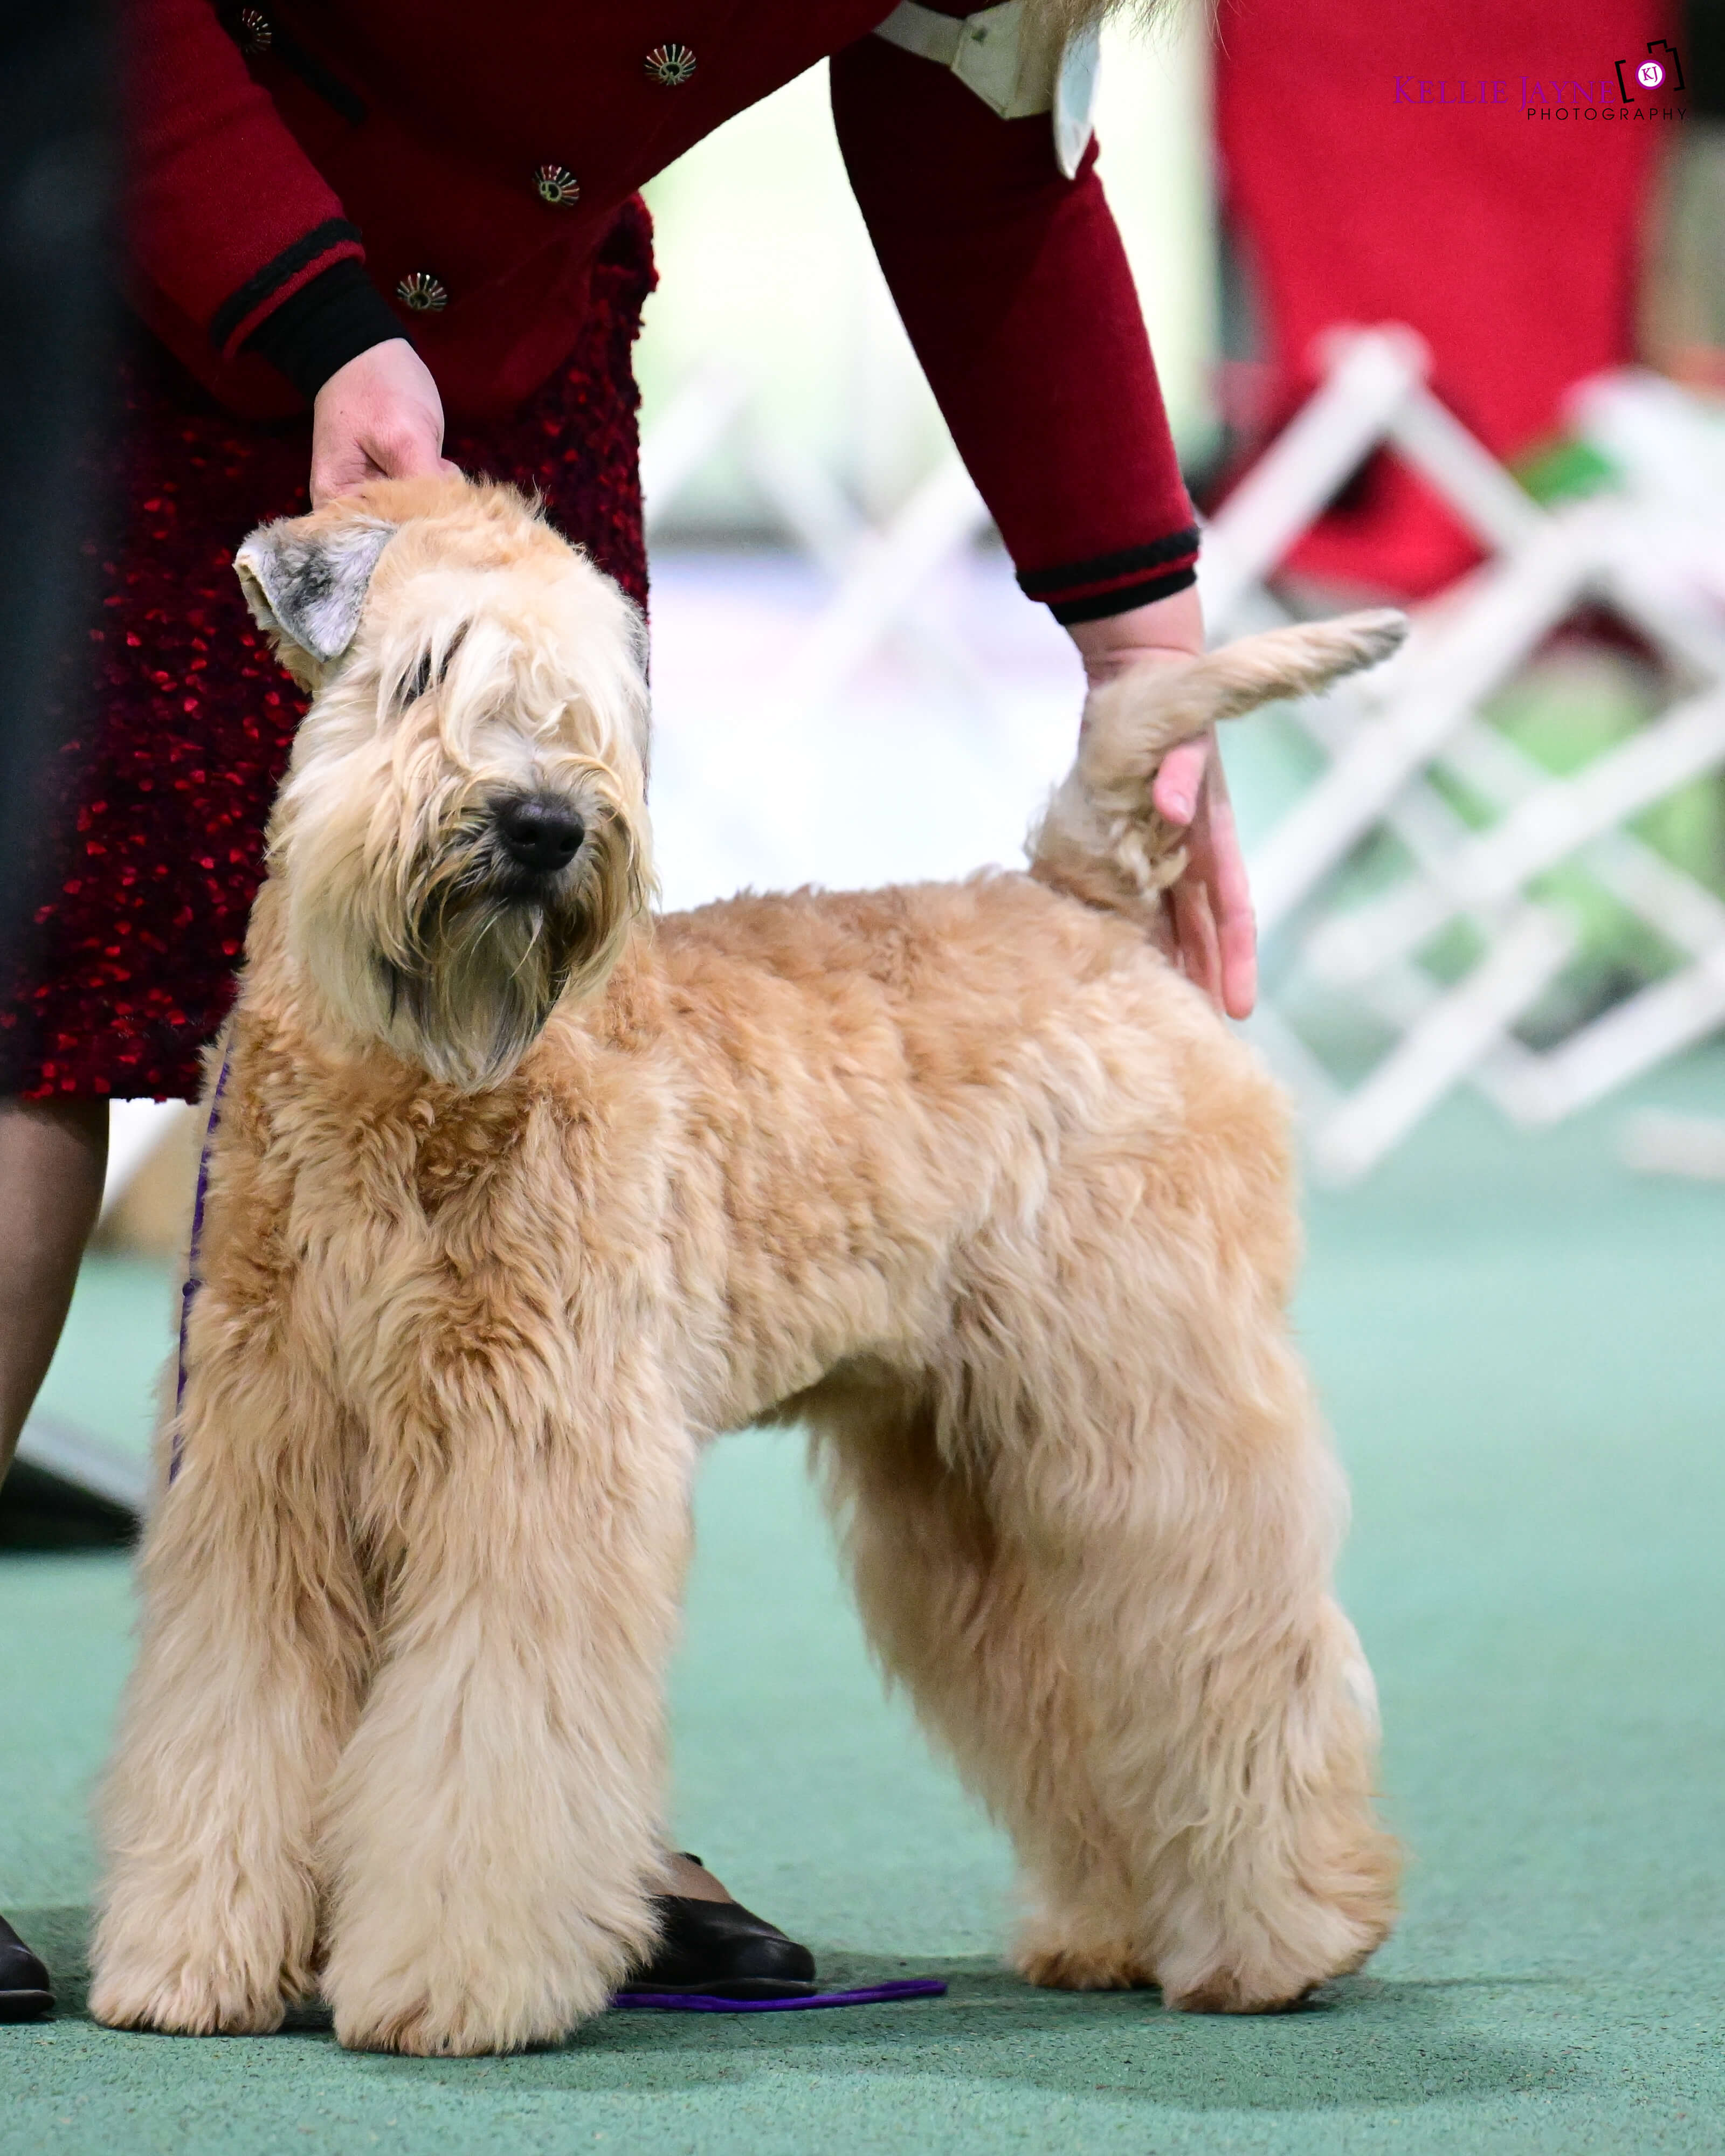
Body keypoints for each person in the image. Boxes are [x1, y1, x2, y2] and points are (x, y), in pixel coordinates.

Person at [0, 0, 1256, 2009]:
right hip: (120, 240)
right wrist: (315, 309)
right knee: (20, 994)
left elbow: (984, 164)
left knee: (534, 1248)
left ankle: (523, 1849)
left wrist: (1142, 651)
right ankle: (271, 1878)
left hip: (502, 336)